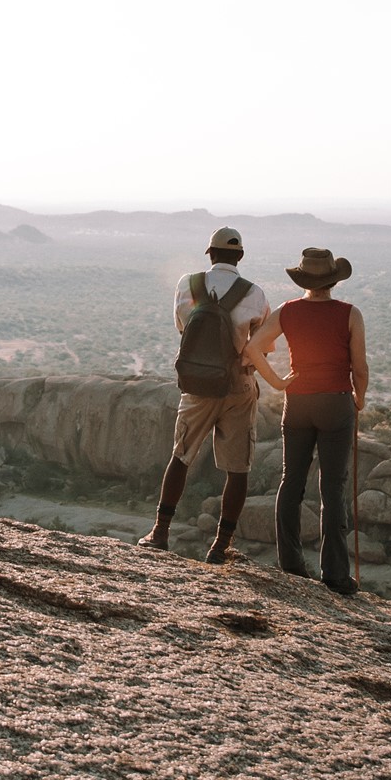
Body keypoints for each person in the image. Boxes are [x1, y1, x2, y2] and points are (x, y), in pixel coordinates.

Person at [137, 227, 282, 562]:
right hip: (238, 385)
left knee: (182, 454)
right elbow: (262, 347)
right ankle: (220, 546)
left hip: (199, 384)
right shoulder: (255, 294)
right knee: (237, 468)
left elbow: (182, 327)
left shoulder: (188, 284)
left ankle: (159, 532)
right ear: (240, 256)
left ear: (211, 254)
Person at [243, 247, 368, 595]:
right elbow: (359, 366)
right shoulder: (350, 314)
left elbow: (253, 348)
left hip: (297, 402)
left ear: (304, 279)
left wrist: (278, 382)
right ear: (333, 280)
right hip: (336, 403)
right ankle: (336, 575)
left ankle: (292, 565)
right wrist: (361, 396)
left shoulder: (288, 311)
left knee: (291, 482)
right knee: (333, 487)